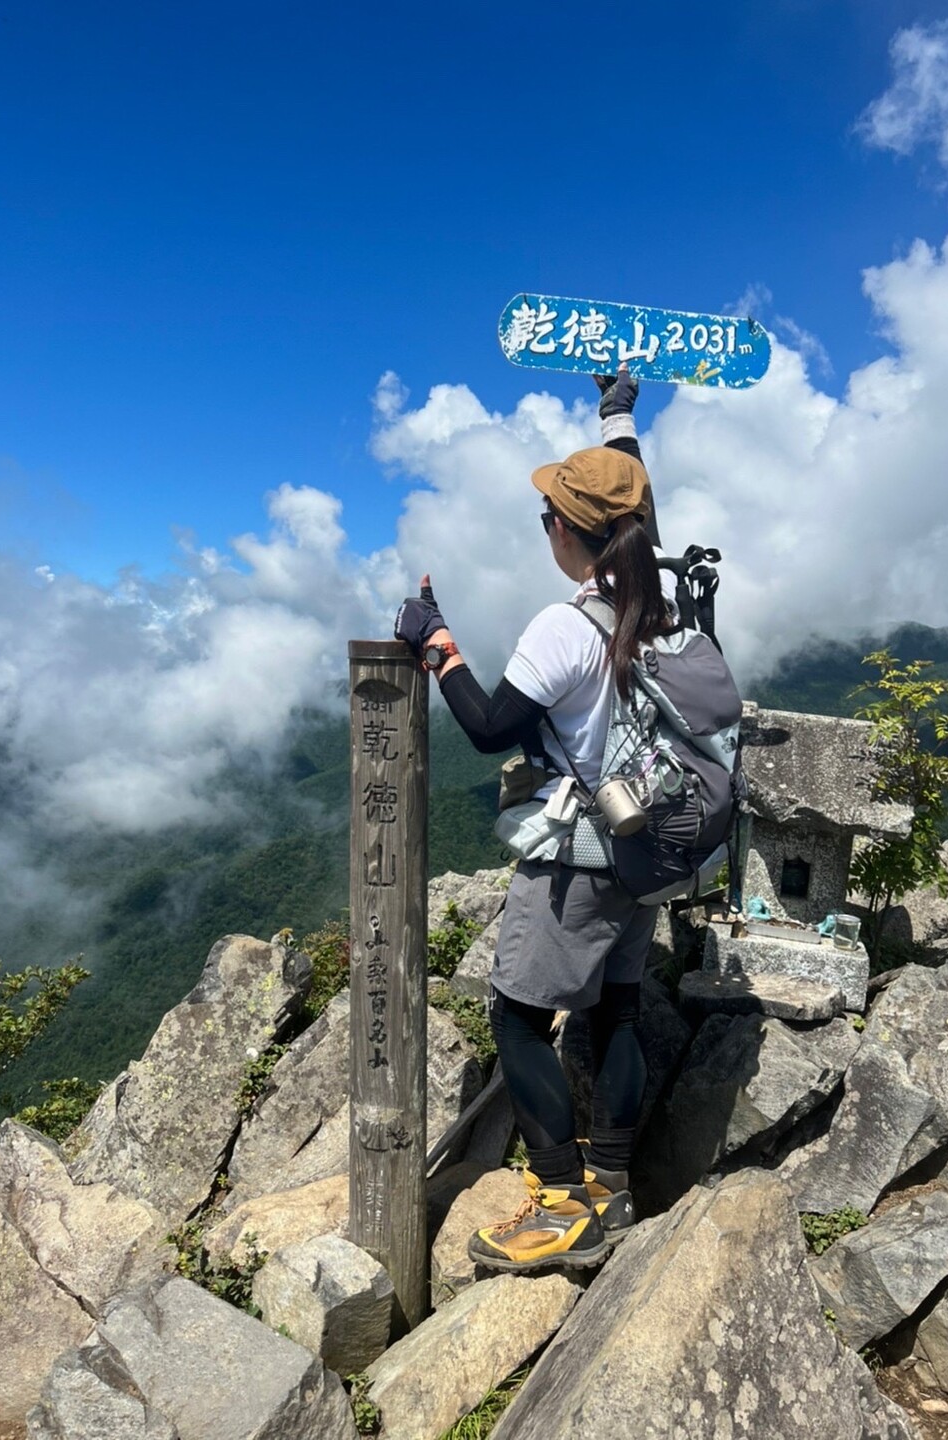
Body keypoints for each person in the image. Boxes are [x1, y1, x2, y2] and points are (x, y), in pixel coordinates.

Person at [394, 366, 668, 1273]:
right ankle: (615, 1183)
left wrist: (435, 642)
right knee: (618, 1010)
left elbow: (486, 729)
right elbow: (635, 503)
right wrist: (617, 418)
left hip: (581, 859)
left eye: (548, 514)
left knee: (518, 1021)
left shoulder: (567, 625)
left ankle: (559, 1205)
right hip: (653, 852)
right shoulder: (659, 601)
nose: (543, 524)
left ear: (572, 533)